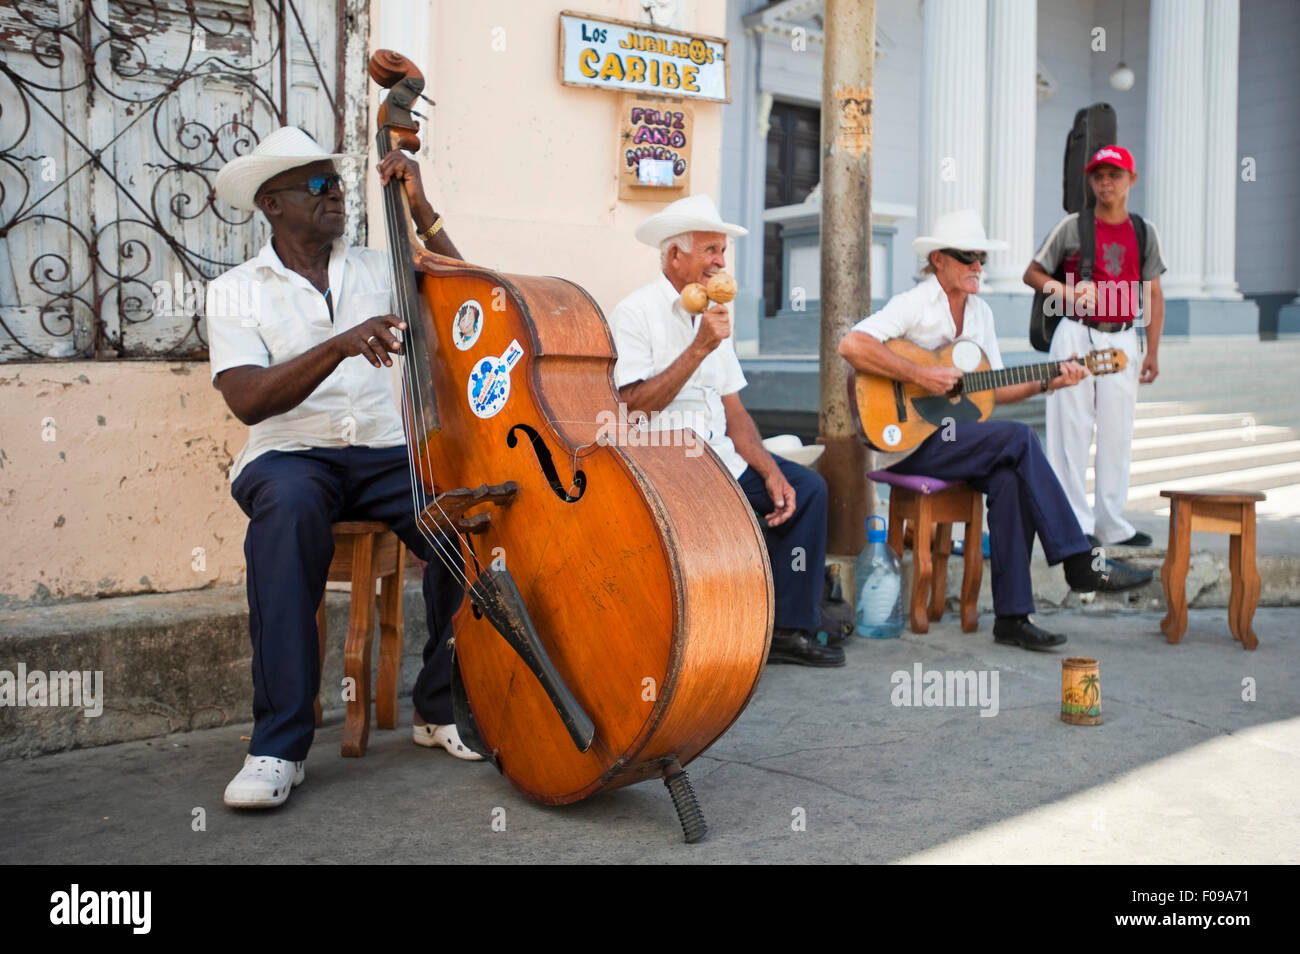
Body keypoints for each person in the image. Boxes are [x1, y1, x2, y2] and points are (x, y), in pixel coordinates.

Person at [207, 127, 480, 810]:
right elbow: (246, 400)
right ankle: (278, 746)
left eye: (338, 182)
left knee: (467, 523)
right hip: (292, 455)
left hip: (386, 452)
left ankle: (440, 707)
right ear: (273, 203)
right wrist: (338, 346)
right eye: (319, 185)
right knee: (288, 516)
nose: (338, 196)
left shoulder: (378, 265)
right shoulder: (236, 290)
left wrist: (421, 209)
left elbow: (476, 299)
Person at [838, 209, 1153, 651]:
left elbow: (993, 389)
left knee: (1009, 479)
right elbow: (852, 344)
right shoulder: (914, 304)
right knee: (1020, 439)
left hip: (957, 438)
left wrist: (1050, 379)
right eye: (967, 257)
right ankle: (1079, 560)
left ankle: (1012, 617)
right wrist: (921, 374)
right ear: (938, 261)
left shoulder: (981, 313)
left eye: (981, 259)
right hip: (909, 442)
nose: (977, 267)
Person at [608, 194, 842, 667]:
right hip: (671, 467)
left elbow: (736, 413)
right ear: (675, 256)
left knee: (806, 489)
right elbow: (630, 408)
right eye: (710, 250)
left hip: (724, 462)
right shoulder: (635, 313)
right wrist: (698, 347)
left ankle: (788, 627)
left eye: (722, 251)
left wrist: (771, 470)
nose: (719, 261)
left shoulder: (714, 316)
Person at [1024, 144, 1167, 548]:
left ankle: (1112, 523)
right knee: (1070, 430)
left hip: (1123, 336)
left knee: (1117, 432)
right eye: (1099, 175)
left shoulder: (1144, 231)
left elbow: (1154, 294)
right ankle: (1075, 523)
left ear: (1130, 180)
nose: (1106, 182)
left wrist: (1153, 350)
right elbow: (1032, 272)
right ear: (1091, 180)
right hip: (1075, 332)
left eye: (1114, 175)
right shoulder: (1073, 226)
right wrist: (1065, 294)